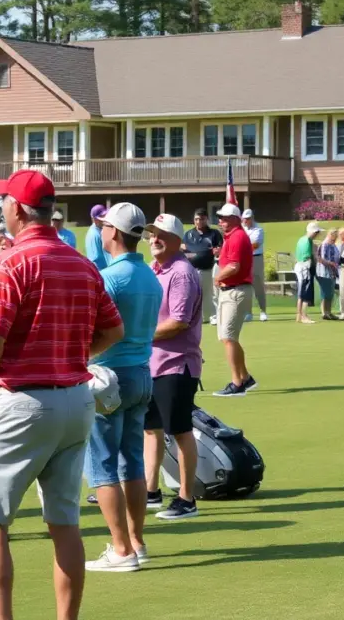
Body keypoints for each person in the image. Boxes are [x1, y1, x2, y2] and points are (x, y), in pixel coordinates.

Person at [0, 170, 124, 620]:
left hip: (23, 401)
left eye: (3, 203)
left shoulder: (10, 262)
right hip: (76, 400)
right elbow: (113, 330)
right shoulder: (81, 262)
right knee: (64, 522)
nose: (0, 210)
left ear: (17, 209)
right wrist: (72, 350)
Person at [84, 203, 162, 573]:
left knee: (102, 466)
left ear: (113, 232)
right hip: (141, 373)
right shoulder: (148, 275)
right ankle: (137, 542)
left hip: (108, 377)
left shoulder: (108, 278)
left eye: (104, 227)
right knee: (131, 460)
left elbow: (95, 331)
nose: (100, 232)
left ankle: (121, 550)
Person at [143, 214, 203, 521]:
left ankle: (186, 498)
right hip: (152, 364)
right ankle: (150, 492)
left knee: (179, 431)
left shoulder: (181, 272)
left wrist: (139, 335)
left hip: (177, 365)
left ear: (178, 241)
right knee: (150, 429)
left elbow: (178, 322)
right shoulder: (155, 270)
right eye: (152, 234)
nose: (155, 239)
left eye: (162, 234)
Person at [211, 204, 258, 397]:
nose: (221, 220)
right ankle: (245, 377)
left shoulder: (238, 236)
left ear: (236, 219)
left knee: (229, 337)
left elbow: (234, 266)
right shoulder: (232, 236)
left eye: (225, 217)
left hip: (236, 291)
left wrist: (217, 277)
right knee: (227, 337)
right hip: (230, 291)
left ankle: (237, 382)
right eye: (220, 217)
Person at [183, 208, 223, 324]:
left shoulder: (214, 233)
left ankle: (212, 316)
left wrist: (215, 252)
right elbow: (183, 249)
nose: (199, 221)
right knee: (193, 294)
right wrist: (195, 254)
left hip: (208, 269)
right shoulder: (188, 234)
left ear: (206, 219)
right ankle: (197, 317)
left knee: (209, 294)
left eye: (201, 219)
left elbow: (219, 249)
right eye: (196, 219)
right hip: (192, 269)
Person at [241, 209, 269, 322]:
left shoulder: (258, 229)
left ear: (252, 218)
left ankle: (263, 311)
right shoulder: (240, 229)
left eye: (248, 219)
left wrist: (241, 246)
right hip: (243, 259)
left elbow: (255, 245)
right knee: (246, 286)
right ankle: (248, 312)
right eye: (245, 219)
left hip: (256, 259)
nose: (246, 221)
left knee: (258, 287)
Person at [294, 221, 321, 324]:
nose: (317, 234)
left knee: (301, 293)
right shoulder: (307, 241)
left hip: (298, 267)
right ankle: (304, 316)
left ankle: (299, 315)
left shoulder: (301, 239)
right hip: (305, 267)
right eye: (317, 232)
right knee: (306, 293)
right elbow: (308, 256)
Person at [316, 228, 341, 320]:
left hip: (332, 272)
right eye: (334, 237)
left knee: (329, 293)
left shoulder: (333, 245)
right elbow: (322, 259)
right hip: (324, 272)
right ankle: (325, 312)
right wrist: (331, 264)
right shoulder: (324, 245)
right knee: (326, 293)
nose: (334, 240)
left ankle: (328, 312)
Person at [85, 204, 110, 270]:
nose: (104, 219)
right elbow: (95, 261)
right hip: (101, 275)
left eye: (105, 215)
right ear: (95, 219)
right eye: (101, 217)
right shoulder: (94, 235)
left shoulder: (100, 230)